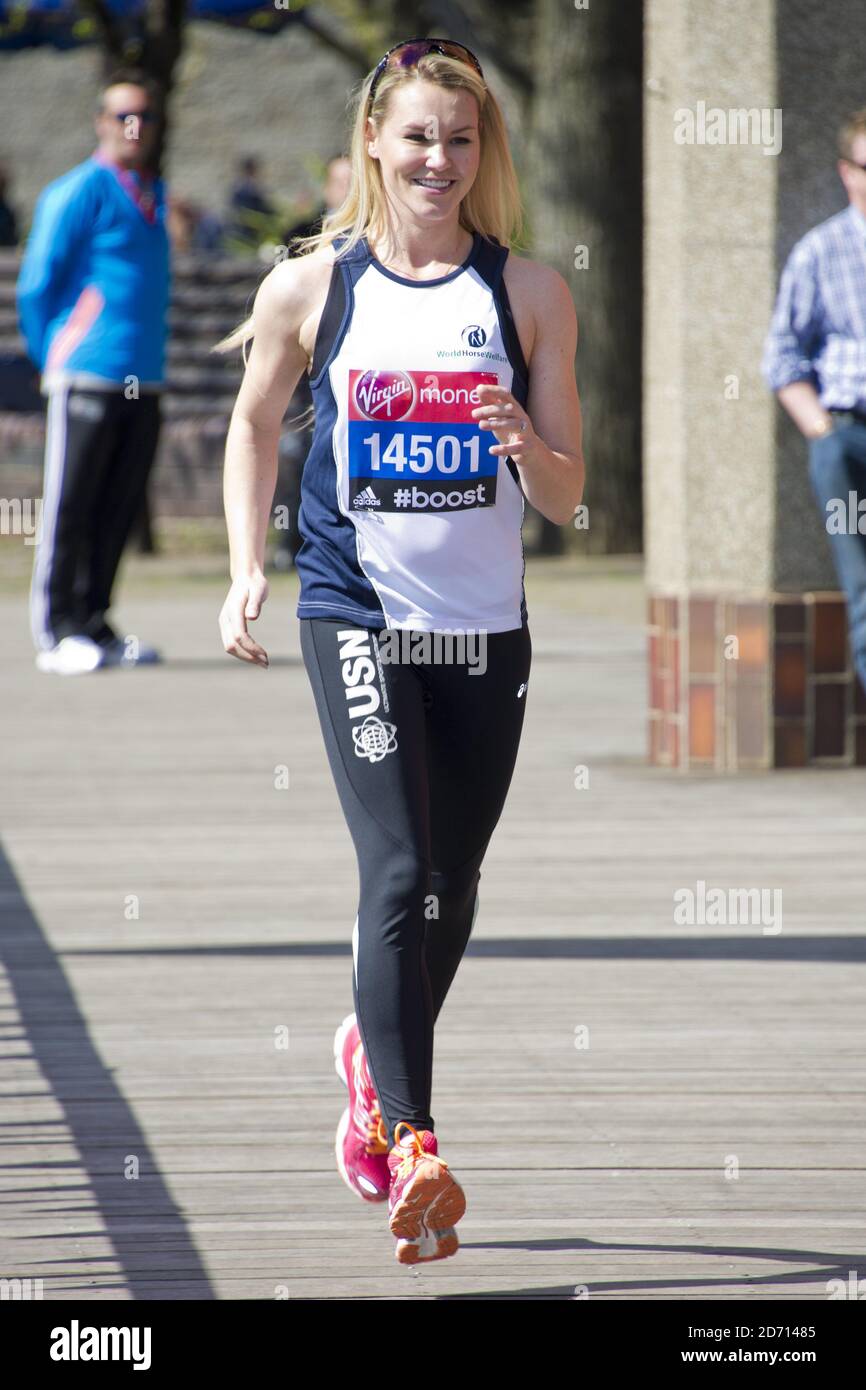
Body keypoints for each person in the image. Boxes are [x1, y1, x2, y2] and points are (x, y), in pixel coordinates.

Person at [214, 37, 583, 1263]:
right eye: (418, 135)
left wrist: (526, 437)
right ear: (373, 139)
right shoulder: (311, 286)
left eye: (460, 138)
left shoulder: (525, 294)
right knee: (396, 868)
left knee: (452, 885)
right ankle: (413, 1137)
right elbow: (255, 420)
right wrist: (245, 567)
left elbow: (568, 502)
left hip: (484, 631)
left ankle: (369, 1057)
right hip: (356, 615)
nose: (438, 158)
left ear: (485, 154)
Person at [17, 68, 171, 674]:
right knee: (71, 505)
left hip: (145, 375)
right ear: (101, 123)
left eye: (147, 116)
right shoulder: (77, 190)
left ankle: (96, 624)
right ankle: (57, 633)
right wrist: (52, 353)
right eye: (123, 115)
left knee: (118, 507)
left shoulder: (151, 194)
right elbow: (37, 286)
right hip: (86, 374)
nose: (136, 126)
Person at [762, 107, 866, 695]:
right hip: (850, 441)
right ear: (846, 172)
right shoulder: (820, 252)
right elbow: (782, 357)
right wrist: (824, 431)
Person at [273, 154, 353, 571]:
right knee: (295, 447)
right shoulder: (300, 236)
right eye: (341, 181)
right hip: (304, 373)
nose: (348, 190)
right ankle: (290, 539)